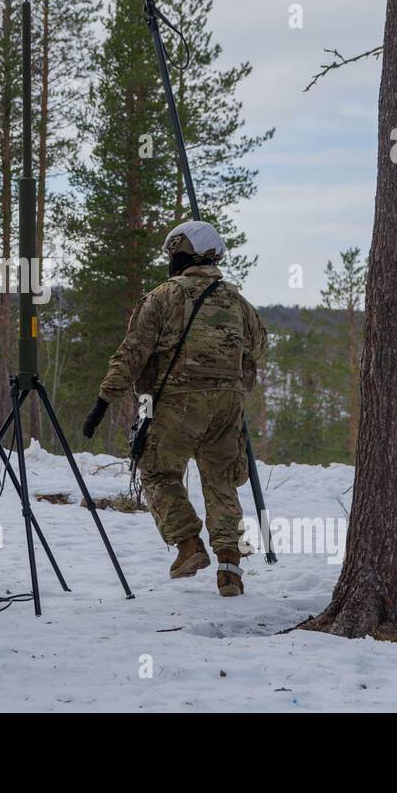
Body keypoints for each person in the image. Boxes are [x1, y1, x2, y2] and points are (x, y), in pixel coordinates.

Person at [81, 220, 265, 596]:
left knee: (158, 473)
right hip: (228, 406)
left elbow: (133, 354)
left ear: (185, 256)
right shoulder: (238, 302)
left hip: (178, 403)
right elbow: (259, 348)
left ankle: (188, 546)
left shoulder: (163, 297)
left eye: (173, 254)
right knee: (221, 481)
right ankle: (230, 568)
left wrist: (104, 400)